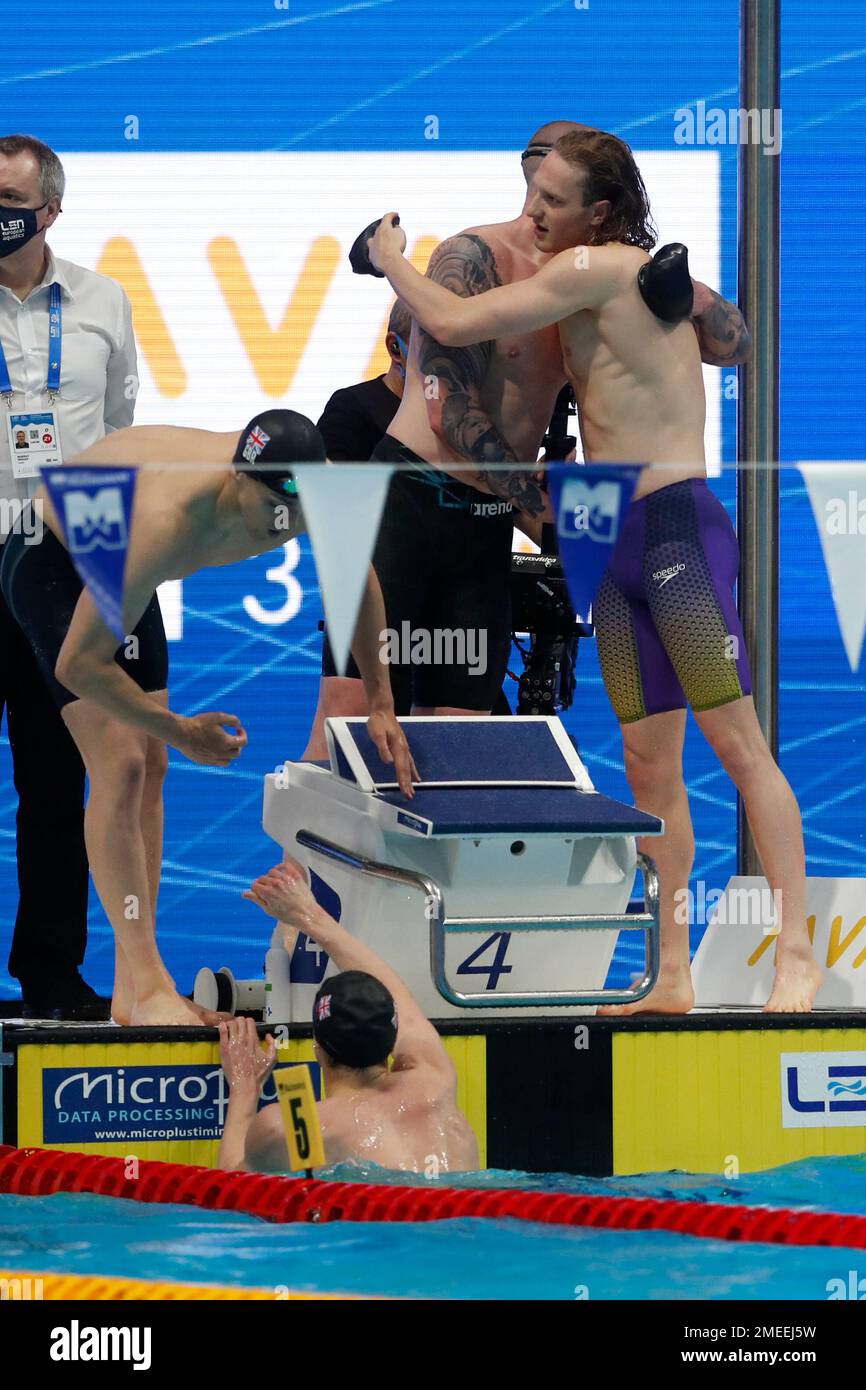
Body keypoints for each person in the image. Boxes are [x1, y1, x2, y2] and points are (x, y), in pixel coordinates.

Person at [367, 127, 821, 1015]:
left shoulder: (594, 270)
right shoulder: (599, 275)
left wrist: (390, 257)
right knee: (649, 772)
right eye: (531, 195)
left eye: (553, 202)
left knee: (740, 750)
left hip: (672, 527)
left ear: (601, 212)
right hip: (605, 532)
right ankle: (676, 972)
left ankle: (796, 955)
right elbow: (724, 341)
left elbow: (452, 321)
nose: (533, 214)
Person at [0, 410, 417, 1027]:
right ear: (238, 478)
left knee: (153, 765)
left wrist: (381, 700)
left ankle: (132, 992)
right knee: (121, 760)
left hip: (112, 538)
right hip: (57, 550)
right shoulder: (167, 519)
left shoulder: (318, 491)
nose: (288, 524)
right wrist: (182, 728)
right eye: (276, 507)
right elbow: (79, 666)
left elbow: (358, 582)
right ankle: (149, 982)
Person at [0, 133, 137, 1021]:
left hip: (59, 566)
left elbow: (121, 424)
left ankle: (50, 971)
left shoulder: (101, 301)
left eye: (8, 199)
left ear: (49, 209)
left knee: (57, 777)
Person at [217, 857, 479, 1174]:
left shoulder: (294, 1127)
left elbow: (230, 1182)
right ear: (393, 1040)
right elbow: (402, 1001)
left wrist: (244, 1087)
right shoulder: (434, 1078)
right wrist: (308, 914)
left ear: (318, 1049)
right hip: (467, 1211)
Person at [303, 298, 412, 759]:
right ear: (397, 348)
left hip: (442, 598)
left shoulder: (463, 424)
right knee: (340, 747)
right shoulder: (353, 409)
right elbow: (335, 522)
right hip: (371, 592)